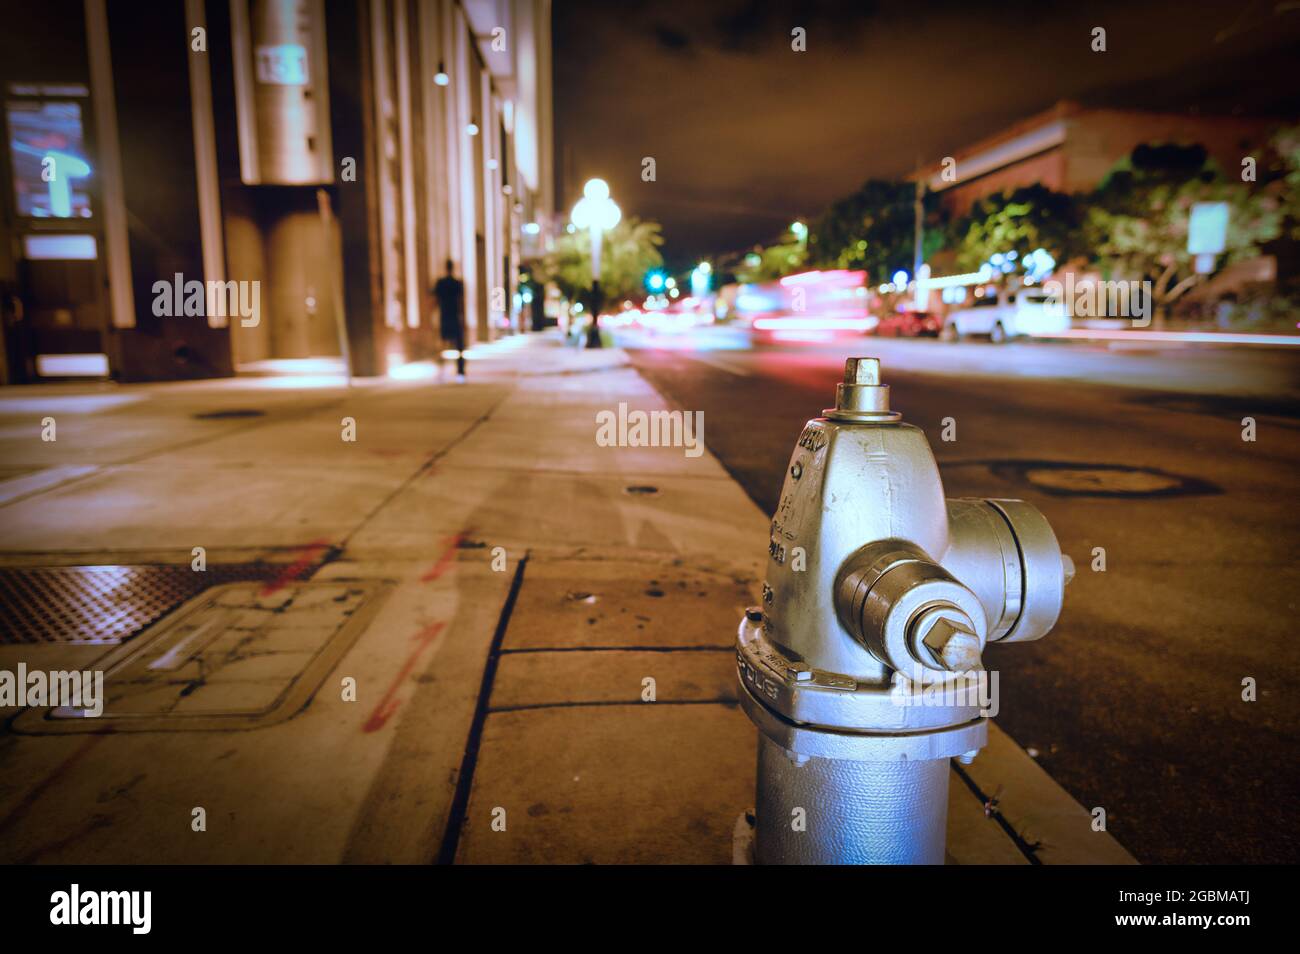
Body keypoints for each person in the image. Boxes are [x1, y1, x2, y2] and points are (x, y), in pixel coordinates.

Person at [433, 259, 467, 381]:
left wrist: (434, 317)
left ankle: (441, 371)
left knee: (442, 345)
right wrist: (463, 319)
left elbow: (435, 301)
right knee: (459, 346)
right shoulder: (457, 283)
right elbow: (461, 302)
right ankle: (461, 372)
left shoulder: (440, 283)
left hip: (444, 317)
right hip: (455, 317)